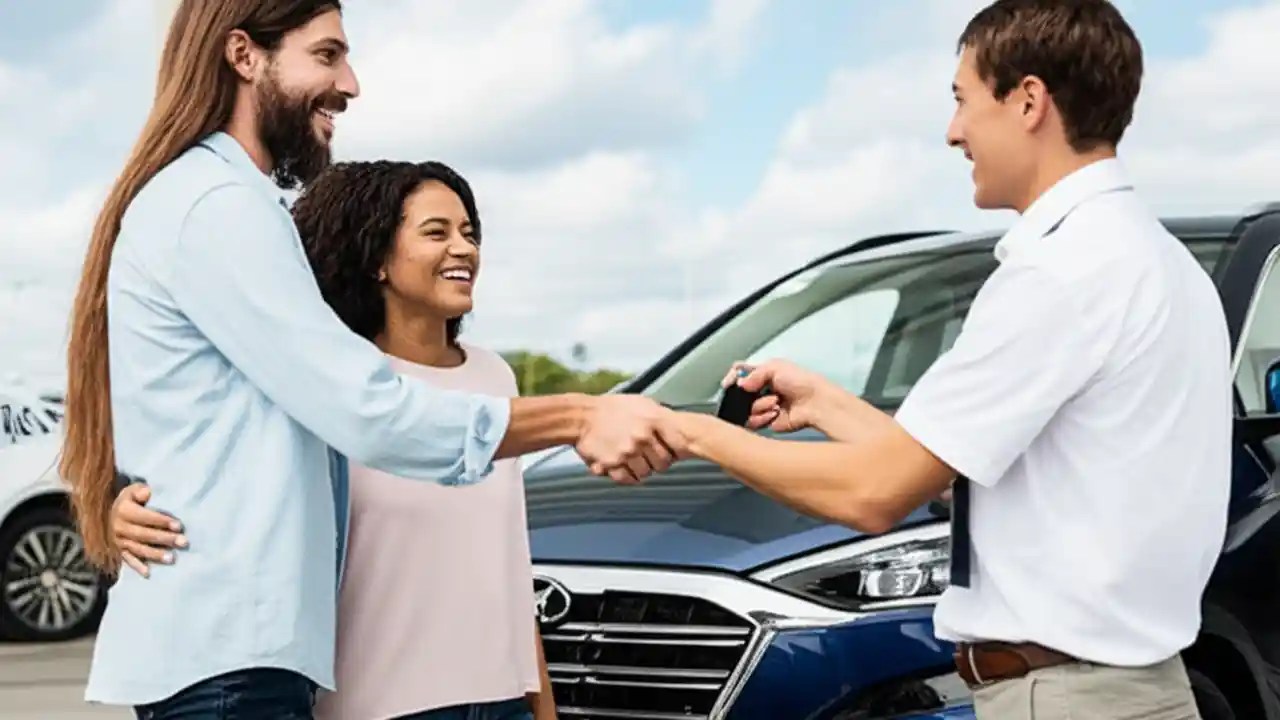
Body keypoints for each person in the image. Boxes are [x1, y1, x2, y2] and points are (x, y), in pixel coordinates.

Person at [63, 1, 681, 717]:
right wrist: (579, 413)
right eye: (326, 55)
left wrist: (111, 495)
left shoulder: (212, 202)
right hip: (231, 665)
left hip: (236, 658)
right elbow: (370, 411)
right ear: (243, 56)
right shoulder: (218, 206)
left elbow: (193, 411)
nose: (350, 83)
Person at [667, 1, 1227, 718]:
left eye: (962, 99)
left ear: (1028, 101)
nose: (953, 131)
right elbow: (990, 481)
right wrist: (829, 407)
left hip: (1060, 699)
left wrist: (692, 433)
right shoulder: (1165, 265)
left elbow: (873, 495)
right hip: (1138, 690)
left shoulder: (1060, 274)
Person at [116, 160, 557, 719]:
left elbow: (510, 565)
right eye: (437, 232)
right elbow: (237, 501)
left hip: (500, 702)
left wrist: (541, 706)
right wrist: (124, 510)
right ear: (376, 258)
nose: (464, 249)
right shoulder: (330, 387)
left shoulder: (495, 378)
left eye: (470, 233)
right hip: (374, 705)